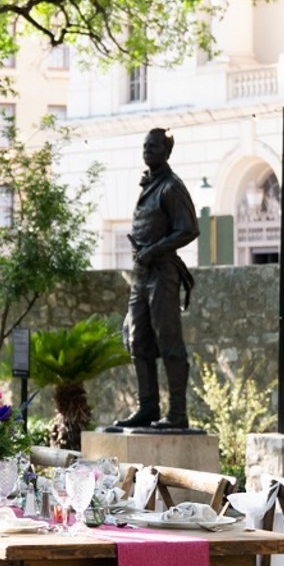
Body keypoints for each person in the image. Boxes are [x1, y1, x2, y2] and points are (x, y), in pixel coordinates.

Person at [113, 127, 199, 428]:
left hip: (163, 273)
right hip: (141, 276)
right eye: (145, 146)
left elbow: (189, 229)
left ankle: (177, 413)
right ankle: (148, 407)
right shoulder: (150, 185)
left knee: (169, 342)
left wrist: (154, 249)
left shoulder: (171, 187)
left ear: (167, 151)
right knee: (137, 341)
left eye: (153, 146)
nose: (147, 150)